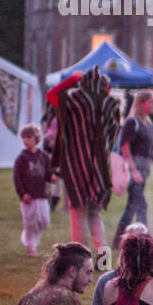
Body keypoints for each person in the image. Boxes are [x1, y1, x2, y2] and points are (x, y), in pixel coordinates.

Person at [47, 67, 120, 253]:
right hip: (100, 168)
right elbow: (113, 135)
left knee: (78, 214)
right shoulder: (110, 103)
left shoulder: (74, 101)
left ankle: (81, 262)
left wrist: (72, 78)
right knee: (94, 214)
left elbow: (52, 95)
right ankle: (104, 262)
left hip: (76, 166)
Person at [113, 90, 153, 248]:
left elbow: (150, 150)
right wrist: (133, 170)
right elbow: (124, 147)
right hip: (133, 171)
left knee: (131, 206)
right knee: (141, 205)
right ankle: (146, 242)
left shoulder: (149, 123)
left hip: (143, 172)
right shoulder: (132, 122)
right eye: (150, 102)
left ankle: (118, 241)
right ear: (140, 103)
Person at [13, 124, 54, 256]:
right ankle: (31, 247)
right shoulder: (21, 158)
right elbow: (17, 178)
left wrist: (54, 176)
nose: (25, 140)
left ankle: (28, 239)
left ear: (36, 138)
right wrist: (22, 193)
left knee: (44, 222)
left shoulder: (44, 157)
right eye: (23, 137)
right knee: (30, 223)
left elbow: (49, 175)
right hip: (28, 196)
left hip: (42, 195)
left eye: (29, 137)